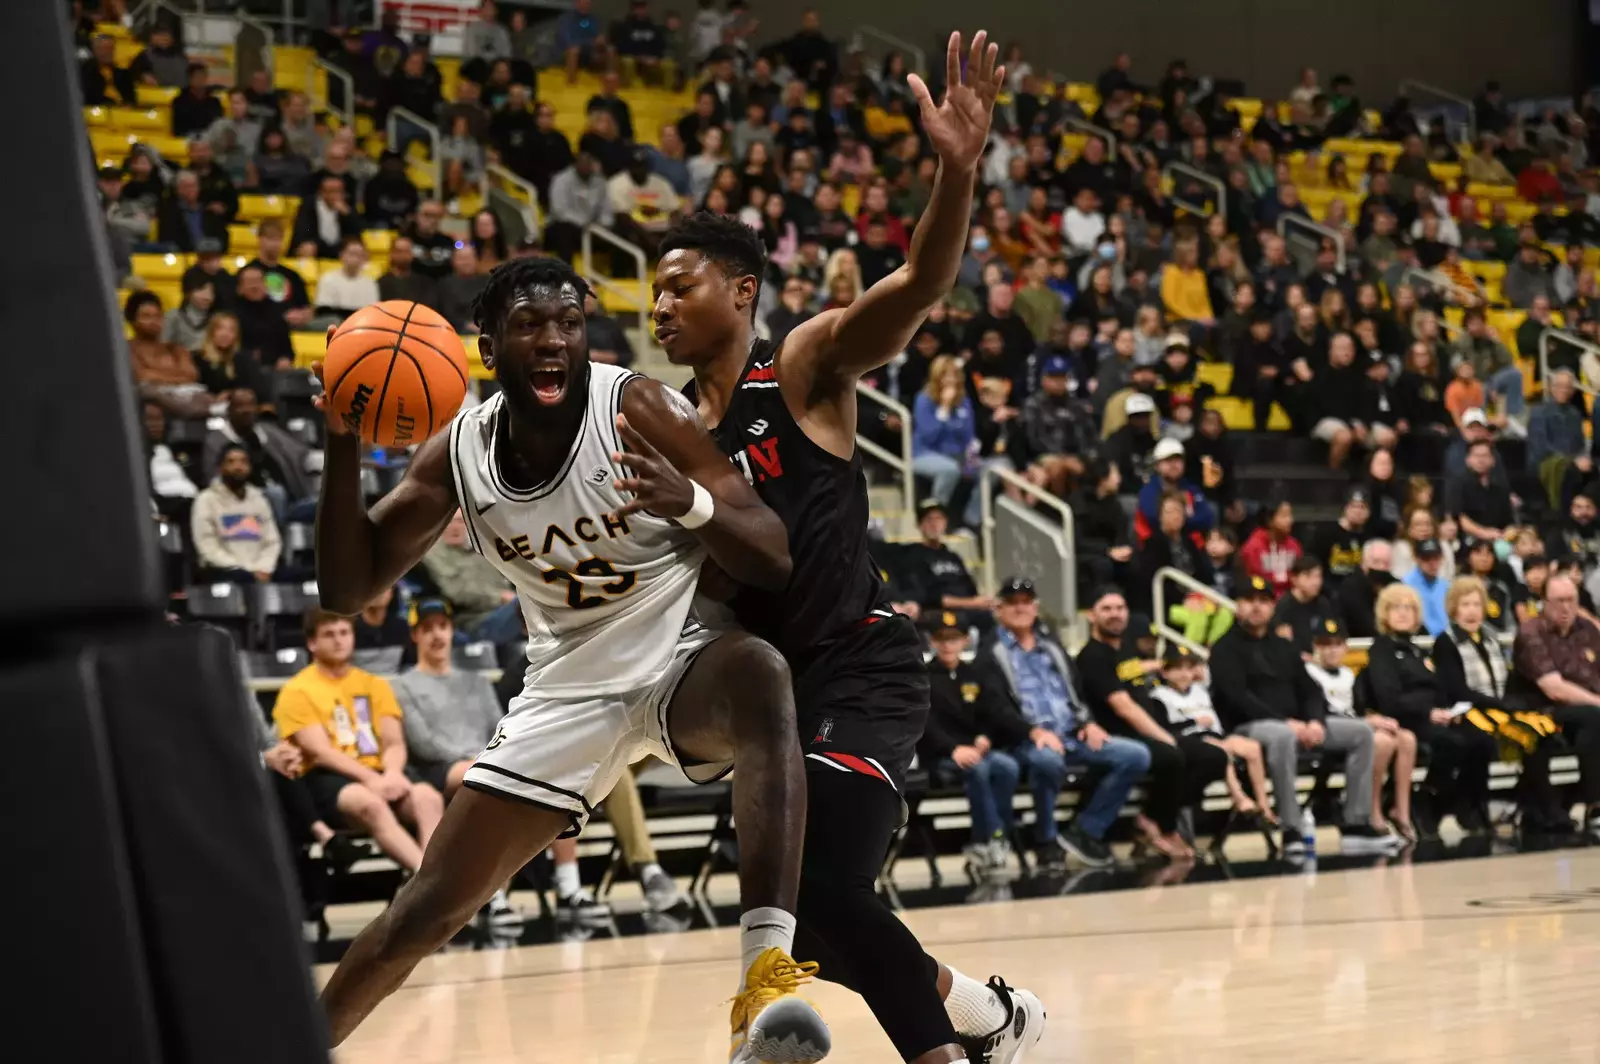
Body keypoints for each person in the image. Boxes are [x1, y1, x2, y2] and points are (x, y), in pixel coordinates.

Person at [310, 255, 831, 1061]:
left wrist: (690, 502)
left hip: (681, 656)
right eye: (529, 325)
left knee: (760, 673)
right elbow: (347, 589)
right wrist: (341, 440)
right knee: (425, 910)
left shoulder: (637, 408)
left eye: (569, 323)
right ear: (488, 350)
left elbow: (772, 553)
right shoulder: (460, 452)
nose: (554, 340)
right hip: (568, 687)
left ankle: (763, 989)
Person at [658, 34, 1046, 1063]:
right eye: (653, 292)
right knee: (809, 922)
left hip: (862, 668)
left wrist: (956, 171)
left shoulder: (800, 367)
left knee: (817, 891)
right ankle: (984, 1014)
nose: (659, 305)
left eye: (681, 285)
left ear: (743, 291)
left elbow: (918, 283)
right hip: (772, 697)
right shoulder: (671, 430)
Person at [1208, 575, 1395, 855]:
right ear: (1237, 605)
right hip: (1249, 727)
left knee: (1361, 732)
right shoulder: (1224, 649)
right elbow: (1239, 699)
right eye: (1249, 600)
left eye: (1263, 601)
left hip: (1298, 724)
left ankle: (1356, 822)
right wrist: (1288, 723)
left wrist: (1315, 722)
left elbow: (1310, 690)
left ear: (1272, 607)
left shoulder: (1283, 646)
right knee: (1282, 735)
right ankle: (1291, 827)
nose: (1256, 607)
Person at [980, 577, 1148, 872]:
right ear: (1000, 609)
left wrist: (1088, 723)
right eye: (1012, 603)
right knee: (1047, 762)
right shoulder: (990, 651)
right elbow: (995, 707)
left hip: (1072, 733)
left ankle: (1086, 830)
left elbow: (1076, 691)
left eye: (1026, 603)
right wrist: (1033, 732)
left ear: (1035, 608)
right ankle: (1046, 840)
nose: (1020, 609)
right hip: (1025, 739)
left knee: (1135, 755)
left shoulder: (1052, 645)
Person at [273, 608, 446, 876]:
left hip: (382, 770)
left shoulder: (374, 684)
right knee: (370, 804)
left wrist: (392, 774)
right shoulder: (297, 690)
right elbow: (320, 753)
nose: (339, 640)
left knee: (428, 798)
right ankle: (425, 881)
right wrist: (371, 779)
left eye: (344, 632)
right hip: (329, 776)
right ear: (312, 643)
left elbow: (394, 742)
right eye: (329, 634)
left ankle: (431, 880)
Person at [1077, 587, 1230, 859]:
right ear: (1092, 615)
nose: (1115, 614)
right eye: (1107, 609)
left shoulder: (1127, 649)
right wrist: (1164, 736)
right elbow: (1124, 708)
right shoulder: (1092, 656)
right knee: (1172, 756)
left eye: (1120, 608)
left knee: (1215, 757)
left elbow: (1141, 683)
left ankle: (1151, 817)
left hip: (1150, 729)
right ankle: (1166, 827)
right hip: (1120, 735)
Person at [1433, 576, 1571, 834]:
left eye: (1477, 604)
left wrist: (1513, 703)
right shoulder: (1446, 642)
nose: (1472, 611)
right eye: (1465, 605)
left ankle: (1537, 807)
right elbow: (1457, 690)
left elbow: (1507, 680)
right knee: (1481, 741)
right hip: (1467, 712)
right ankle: (1471, 806)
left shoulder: (1491, 638)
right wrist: (1500, 704)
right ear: (1454, 609)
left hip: (1499, 710)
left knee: (1541, 734)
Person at [1366, 582, 1499, 836]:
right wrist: (1428, 712)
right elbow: (1389, 699)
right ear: (1385, 614)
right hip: (1405, 720)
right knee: (1451, 743)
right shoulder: (1381, 650)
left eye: (1409, 608)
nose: (1403, 613)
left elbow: (1437, 688)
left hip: (1435, 717)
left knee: (1480, 741)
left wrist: (1448, 710)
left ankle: (1466, 805)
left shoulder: (1416, 650)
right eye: (1396, 608)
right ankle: (1428, 800)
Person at [921, 613, 1031, 876]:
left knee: (1007, 767)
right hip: (941, 755)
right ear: (932, 642)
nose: (948, 645)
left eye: (954, 639)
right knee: (978, 770)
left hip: (976, 750)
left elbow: (989, 713)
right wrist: (953, 749)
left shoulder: (974, 674)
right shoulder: (922, 677)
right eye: (941, 639)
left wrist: (985, 737)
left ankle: (992, 837)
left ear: (965, 641)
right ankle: (990, 839)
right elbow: (924, 723)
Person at [1512, 573, 1600, 838]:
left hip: (1586, 710)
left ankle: (1577, 797)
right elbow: (1554, 687)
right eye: (1559, 601)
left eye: (1571, 600)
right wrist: (1598, 702)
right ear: (1544, 602)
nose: (1566, 607)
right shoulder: (1531, 632)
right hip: (1544, 709)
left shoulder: (1587, 629)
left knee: (1592, 724)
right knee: (1593, 719)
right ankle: (1595, 802)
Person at [1149, 646, 1274, 824]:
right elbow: (1164, 729)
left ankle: (1264, 805)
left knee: (1252, 748)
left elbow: (1210, 674)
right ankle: (1239, 798)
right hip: (1191, 740)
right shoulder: (1159, 696)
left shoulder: (1200, 690)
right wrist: (1194, 722)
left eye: (1188, 668)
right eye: (1178, 669)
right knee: (1220, 750)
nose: (1184, 674)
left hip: (1215, 734)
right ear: (1165, 672)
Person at [898, 499, 995, 635]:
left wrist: (983, 601)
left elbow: (971, 590)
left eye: (939, 519)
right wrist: (972, 603)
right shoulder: (913, 555)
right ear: (920, 525)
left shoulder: (953, 557)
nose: (934, 524)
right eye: (929, 519)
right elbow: (929, 597)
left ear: (945, 523)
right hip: (939, 613)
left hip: (968, 609)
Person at [191, 444, 282, 584]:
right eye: (231, 462)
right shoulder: (205, 499)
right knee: (241, 578)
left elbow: (272, 541)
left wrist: (264, 568)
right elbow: (207, 546)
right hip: (225, 570)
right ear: (220, 468)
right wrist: (244, 569)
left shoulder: (259, 499)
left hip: (260, 569)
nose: (238, 467)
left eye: (243, 461)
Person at [1272, 555, 1334, 653]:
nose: (1315, 582)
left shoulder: (1323, 603)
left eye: (1318, 576)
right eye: (1308, 576)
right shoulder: (1284, 607)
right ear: (1294, 579)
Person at [1337, 538, 1395, 639]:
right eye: (1376, 562)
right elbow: (1364, 625)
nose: (1381, 567)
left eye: (1386, 563)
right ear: (1364, 562)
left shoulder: (1395, 585)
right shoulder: (1351, 587)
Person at [1402, 537, 1451, 636]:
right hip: (1418, 638)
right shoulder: (1405, 586)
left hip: (1444, 639)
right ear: (1416, 559)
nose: (1432, 563)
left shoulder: (1446, 586)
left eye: (1436, 558)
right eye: (1426, 558)